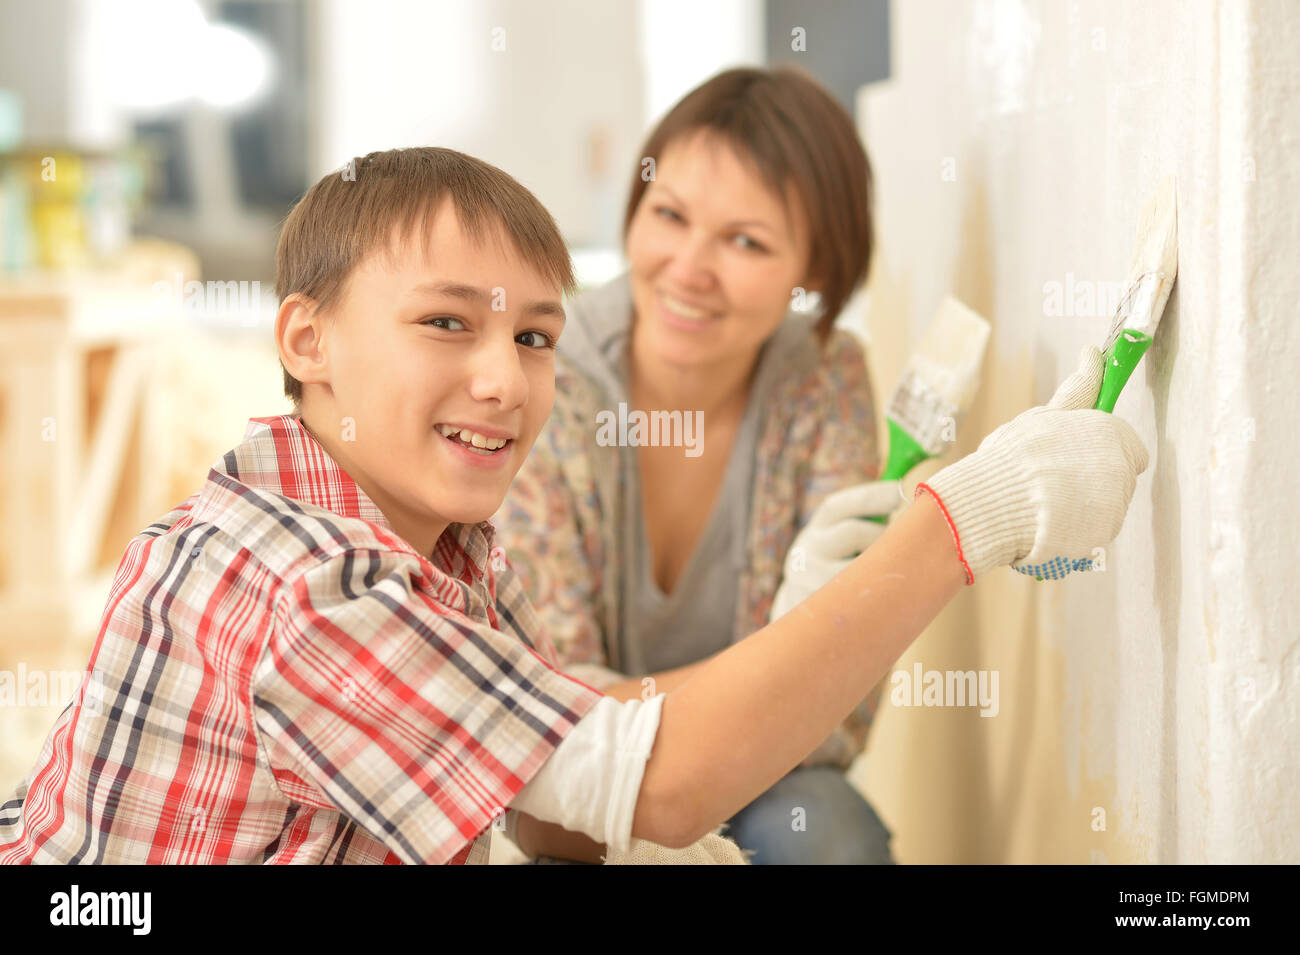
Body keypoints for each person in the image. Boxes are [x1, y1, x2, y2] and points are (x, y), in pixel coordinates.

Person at [0, 146, 1148, 865]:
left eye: (534, 336)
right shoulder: (308, 585)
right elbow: (649, 780)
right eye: (447, 322)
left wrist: (809, 604)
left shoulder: (440, 546)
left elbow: (552, 798)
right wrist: (967, 517)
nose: (505, 377)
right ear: (308, 341)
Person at [494, 66, 895, 863]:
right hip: (567, 785)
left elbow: (839, 708)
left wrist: (744, 709)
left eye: (746, 240)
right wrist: (768, 684)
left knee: (828, 836)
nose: (688, 267)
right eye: (669, 215)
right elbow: (555, 703)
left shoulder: (826, 379)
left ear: (814, 268)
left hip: (766, 784)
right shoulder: (549, 371)